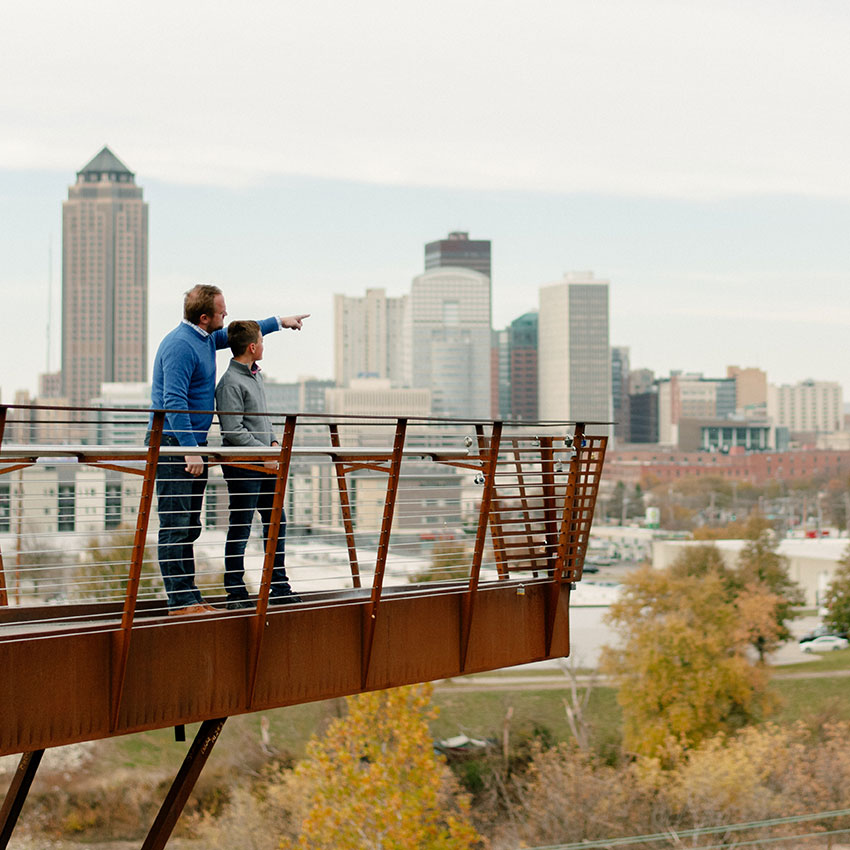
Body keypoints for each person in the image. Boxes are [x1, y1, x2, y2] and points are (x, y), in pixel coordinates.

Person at [148, 284, 308, 616]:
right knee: (177, 523)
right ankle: (180, 601)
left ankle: (189, 595)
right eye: (222, 312)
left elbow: (241, 334)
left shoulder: (204, 339)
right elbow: (172, 402)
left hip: (192, 444)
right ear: (205, 317)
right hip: (175, 444)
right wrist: (190, 451)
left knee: (190, 524)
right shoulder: (181, 346)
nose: (227, 316)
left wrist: (280, 321)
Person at [215, 320, 301, 609]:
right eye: (262, 341)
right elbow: (233, 431)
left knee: (277, 520)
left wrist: (274, 444)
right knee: (240, 525)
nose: (264, 345)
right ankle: (236, 593)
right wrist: (265, 452)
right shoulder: (229, 383)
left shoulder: (255, 377)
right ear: (252, 347)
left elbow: (262, 421)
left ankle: (279, 586)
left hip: (265, 462)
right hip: (243, 466)